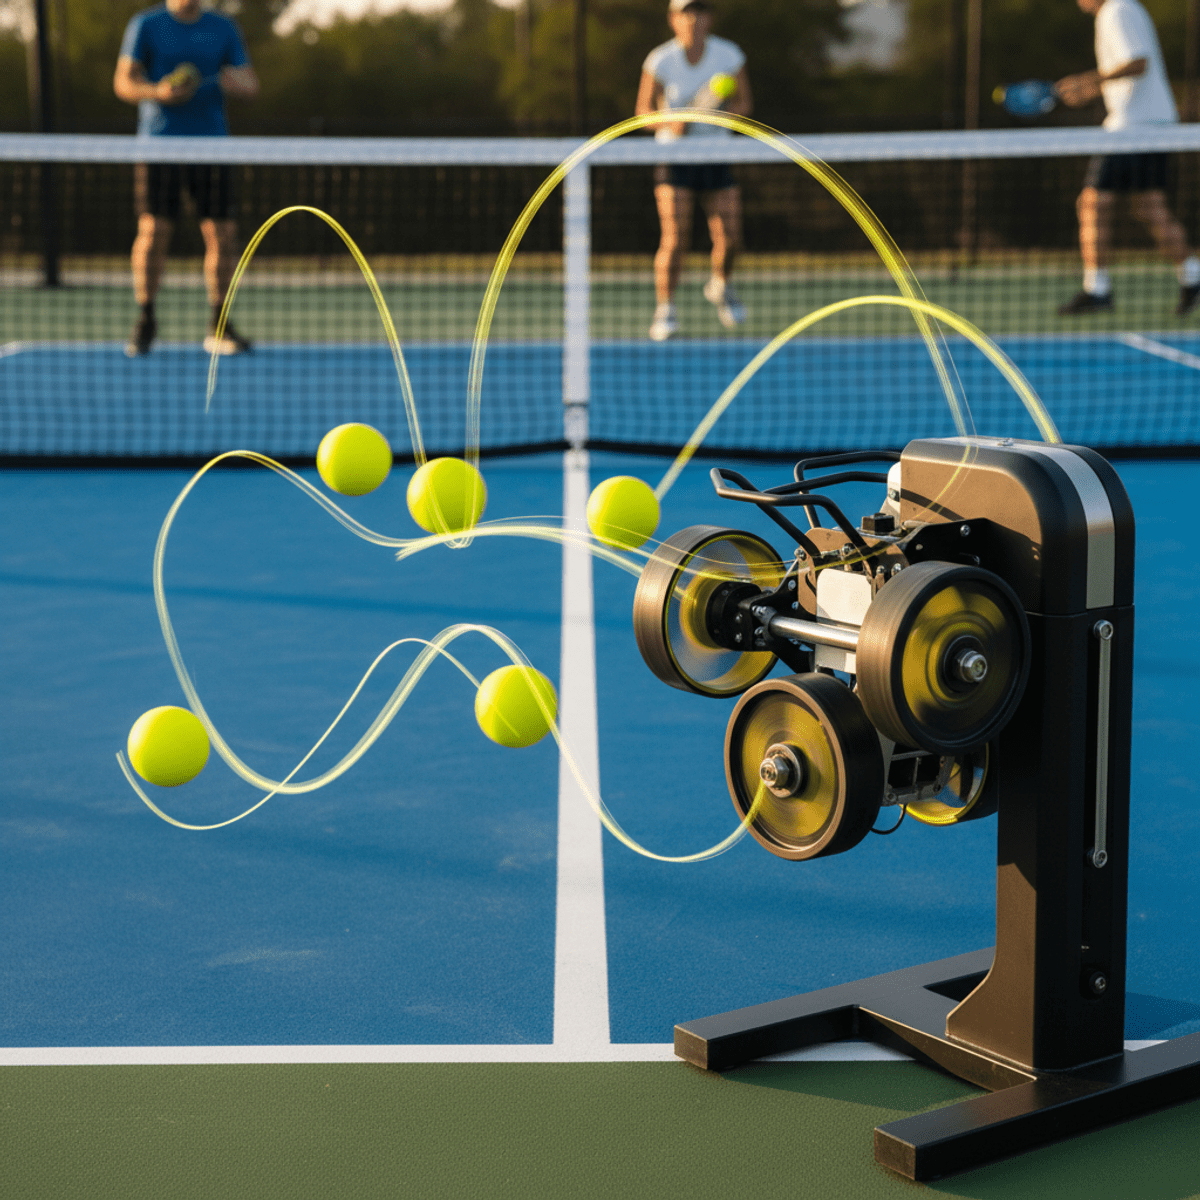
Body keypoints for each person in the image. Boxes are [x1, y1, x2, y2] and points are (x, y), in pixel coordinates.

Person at [113, 0, 259, 357]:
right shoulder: (145, 25)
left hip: (212, 146)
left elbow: (250, 84)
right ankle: (146, 320)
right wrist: (157, 92)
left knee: (222, 234)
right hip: (159, 146)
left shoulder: (223, 28)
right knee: (153, 231)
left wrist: (231, 80)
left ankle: (218, 325)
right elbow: (124, 82)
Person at [1055, 0, 1200, 316]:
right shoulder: (1124, 9)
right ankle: (1193, 276)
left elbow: (1137, 62)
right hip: (1153, 124)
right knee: (1151, 208)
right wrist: (1091, 86)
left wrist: (1088, 83)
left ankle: (1098, 290)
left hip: (1133, 128)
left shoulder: (1117, 10)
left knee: (1092, 204)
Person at [635, 0, 753, 342]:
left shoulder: (728, 55)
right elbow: (642, 110)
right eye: (687, 12)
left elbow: (744, 104)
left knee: (731, 238)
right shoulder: (660, 60)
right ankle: (665, 310)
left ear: (709, 18)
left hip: (716, 155)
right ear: (674, 19)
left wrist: (719, 116)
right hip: (674, 159)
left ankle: (721, 285)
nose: (694, 19)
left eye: (701, 11)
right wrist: (670, 123)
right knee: (675, 237)